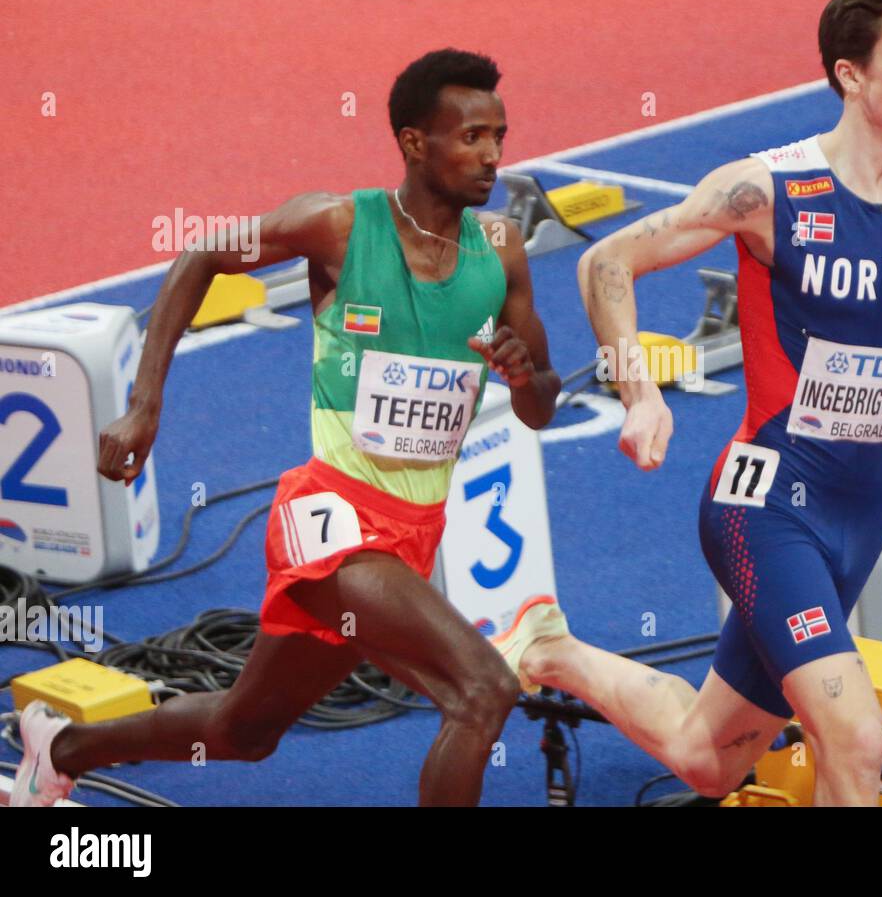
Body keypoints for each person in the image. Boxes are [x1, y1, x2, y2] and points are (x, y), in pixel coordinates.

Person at [492, 0, 882, 806]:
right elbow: (606, 262)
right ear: (850, 74)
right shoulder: (769, 189)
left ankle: (548, 651)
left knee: (711, 758)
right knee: (853, 737)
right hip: (767, 504)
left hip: (863, 513)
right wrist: (640, 393)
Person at [13, 48, 560, 807]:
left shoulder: (500, 254)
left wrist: (526, 374)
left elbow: (540, 408)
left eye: (499, 135)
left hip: (413, 532)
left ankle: (59, 745)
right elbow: (202, 253)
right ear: (413, 142)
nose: (492, 155)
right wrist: (145, 404)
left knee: (247, 729)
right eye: (470, 137)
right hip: (329, 515)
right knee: (483, 690)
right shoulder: (338, 224)